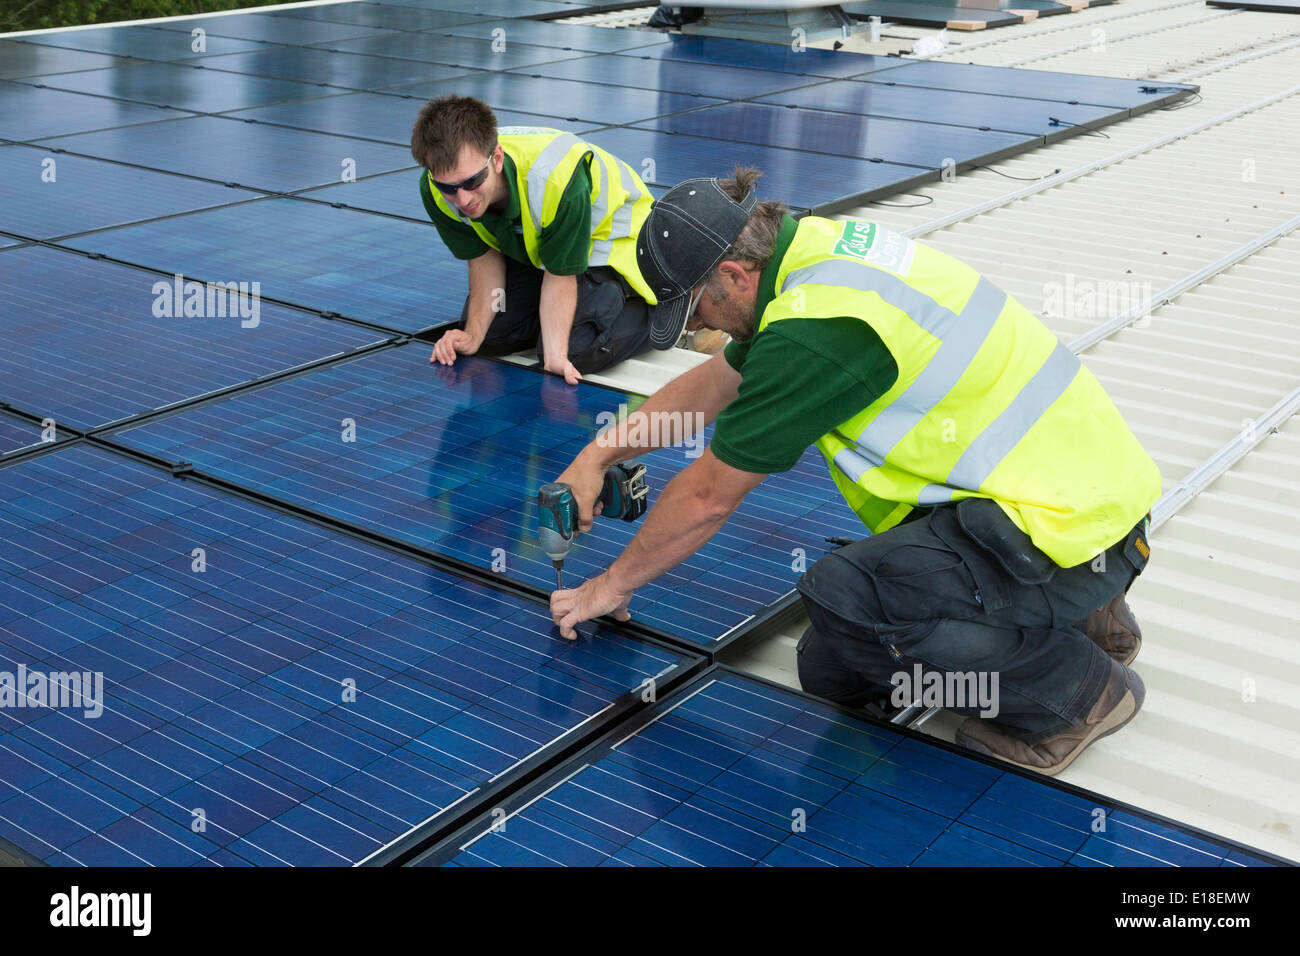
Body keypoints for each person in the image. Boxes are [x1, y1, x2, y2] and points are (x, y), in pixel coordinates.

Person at [548, 167, 1161, 777]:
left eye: (699, 309)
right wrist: (598, 456)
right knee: (832, 668)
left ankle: (1078, 694)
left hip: (1066, 529)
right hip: (1073, 501)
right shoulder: (809, 260)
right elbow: (715, 384)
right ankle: (1086, 615)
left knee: (846, 596)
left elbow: (708, 496)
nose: (699, 327)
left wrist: (612, 584)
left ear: (734, 276)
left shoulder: (817, 330)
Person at [410, 95, 688, 385]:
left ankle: (663, 310)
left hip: (617, 238)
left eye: (472, 182)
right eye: (449, 187)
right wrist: (473, 335)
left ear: (497, 159)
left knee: (574, 352)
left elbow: (560, 275)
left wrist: (556, 356)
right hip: (546, 250)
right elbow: (484, 258)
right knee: (492, 338)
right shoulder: (436, 190)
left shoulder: (555, 180)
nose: (463, 199)